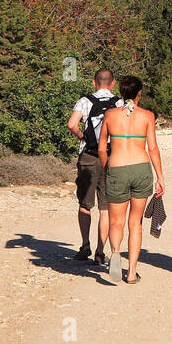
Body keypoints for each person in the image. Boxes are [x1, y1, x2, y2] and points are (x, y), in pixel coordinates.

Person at [100, 75, 164, 284]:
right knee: (135, 223)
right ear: (139, 93)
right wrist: (160, 177)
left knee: (116, 221)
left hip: (117, 167)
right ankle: (132, 272)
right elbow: (152, 148)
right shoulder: (147, 115)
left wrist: (106, 169)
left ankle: (116, 253)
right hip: (141, 168)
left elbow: (102, 148)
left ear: (121, 92)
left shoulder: (110, 115)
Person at [67, 68, 119, 264]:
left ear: (93, 82)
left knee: (85, 204)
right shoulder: (119, 103)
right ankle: (100, 251)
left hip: (88, 156)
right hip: (110, 159)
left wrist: (83, 137)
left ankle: (84, 245)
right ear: (113, 83)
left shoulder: (85, 101)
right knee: (105, 207)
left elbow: (72, 123)